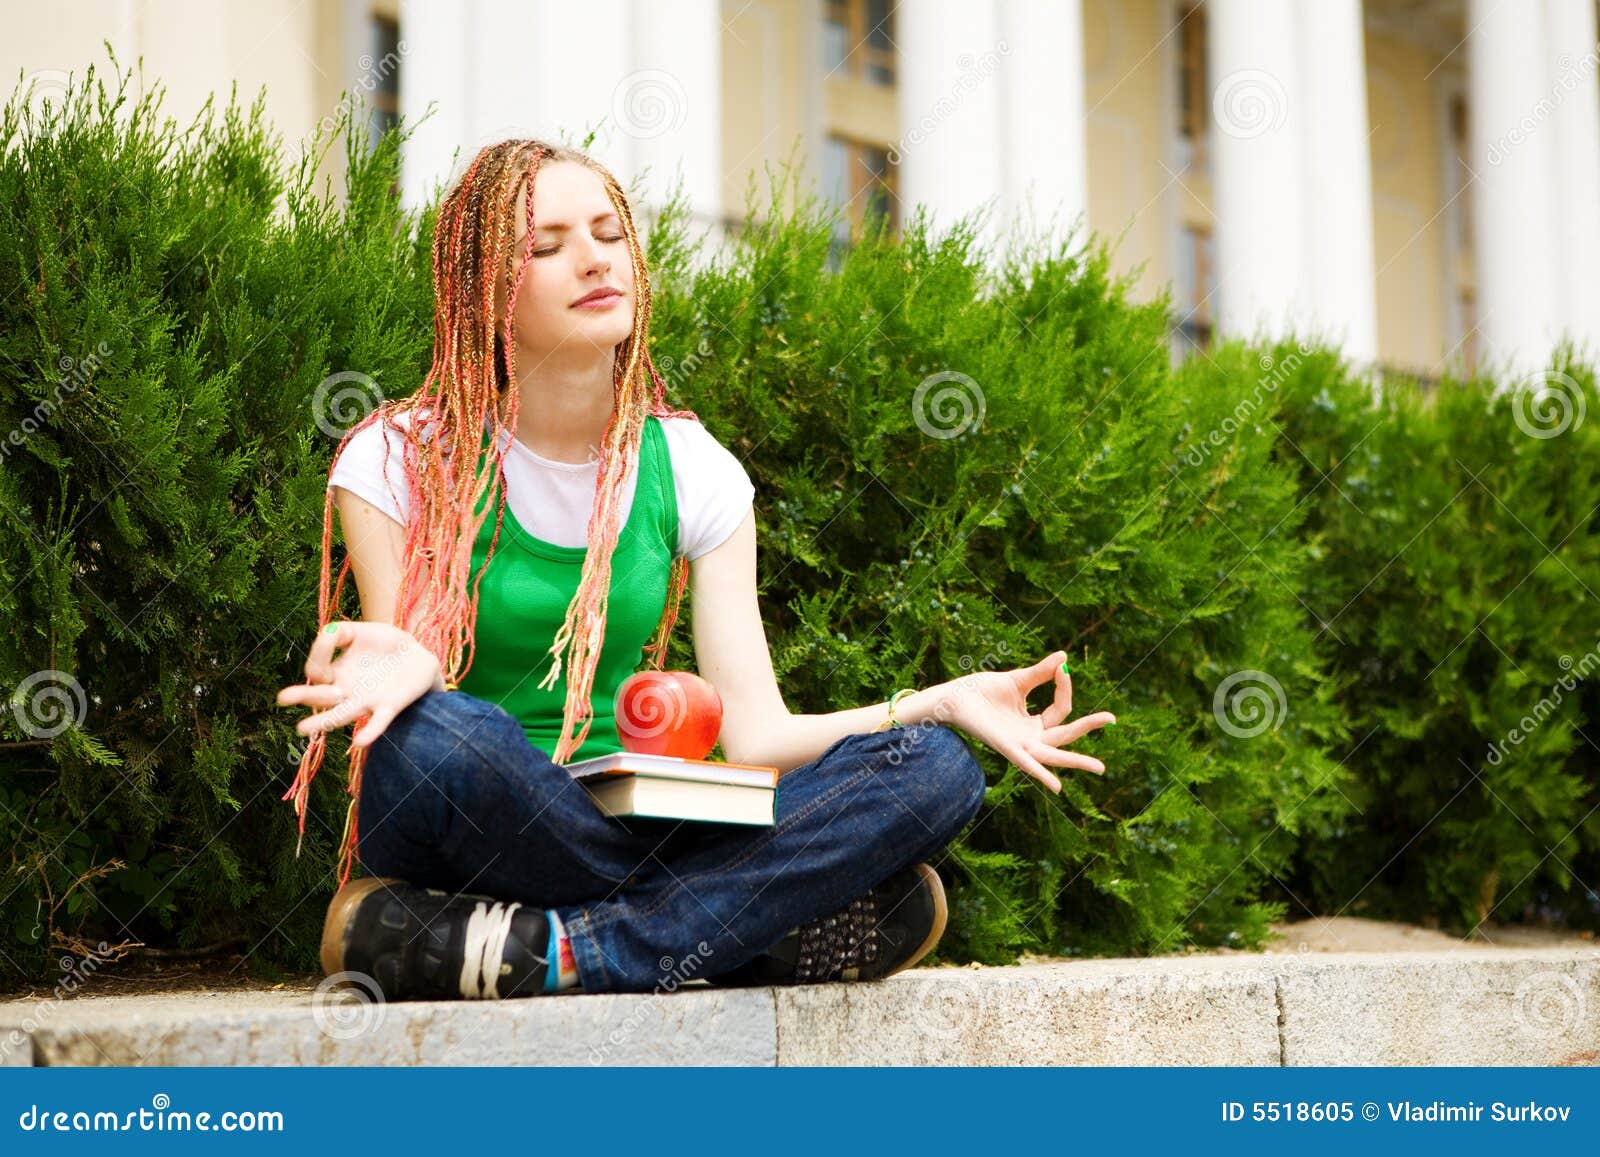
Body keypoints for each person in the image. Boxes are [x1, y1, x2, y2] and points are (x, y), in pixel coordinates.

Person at [274, 139, 1116, 1001]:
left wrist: (937, 702)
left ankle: (560, 947)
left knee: (936, 768)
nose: (595, 258)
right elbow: (390, 680)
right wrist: (406, 668)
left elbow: (757, 738)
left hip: (625, 822)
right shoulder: (398, 455)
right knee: (440, 738)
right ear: (483, 291)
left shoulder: (690, 464)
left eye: (610, 234)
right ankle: (746, 927)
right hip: (473, 811)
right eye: (547, 245)